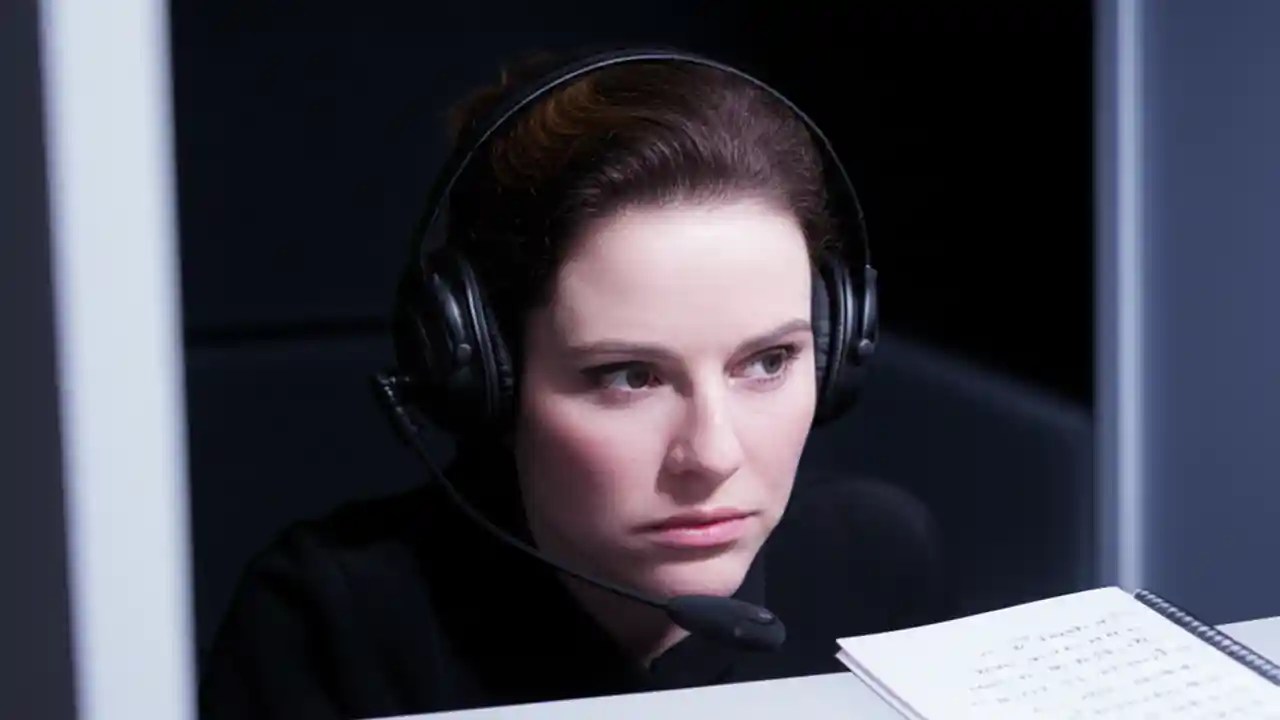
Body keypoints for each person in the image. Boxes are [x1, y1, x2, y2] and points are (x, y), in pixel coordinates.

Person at [198, 46, 951, 719]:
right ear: (487, 375)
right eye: (630, 376)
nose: (712, 455)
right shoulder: (329, 621)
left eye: (766, 362)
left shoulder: (876, 560)